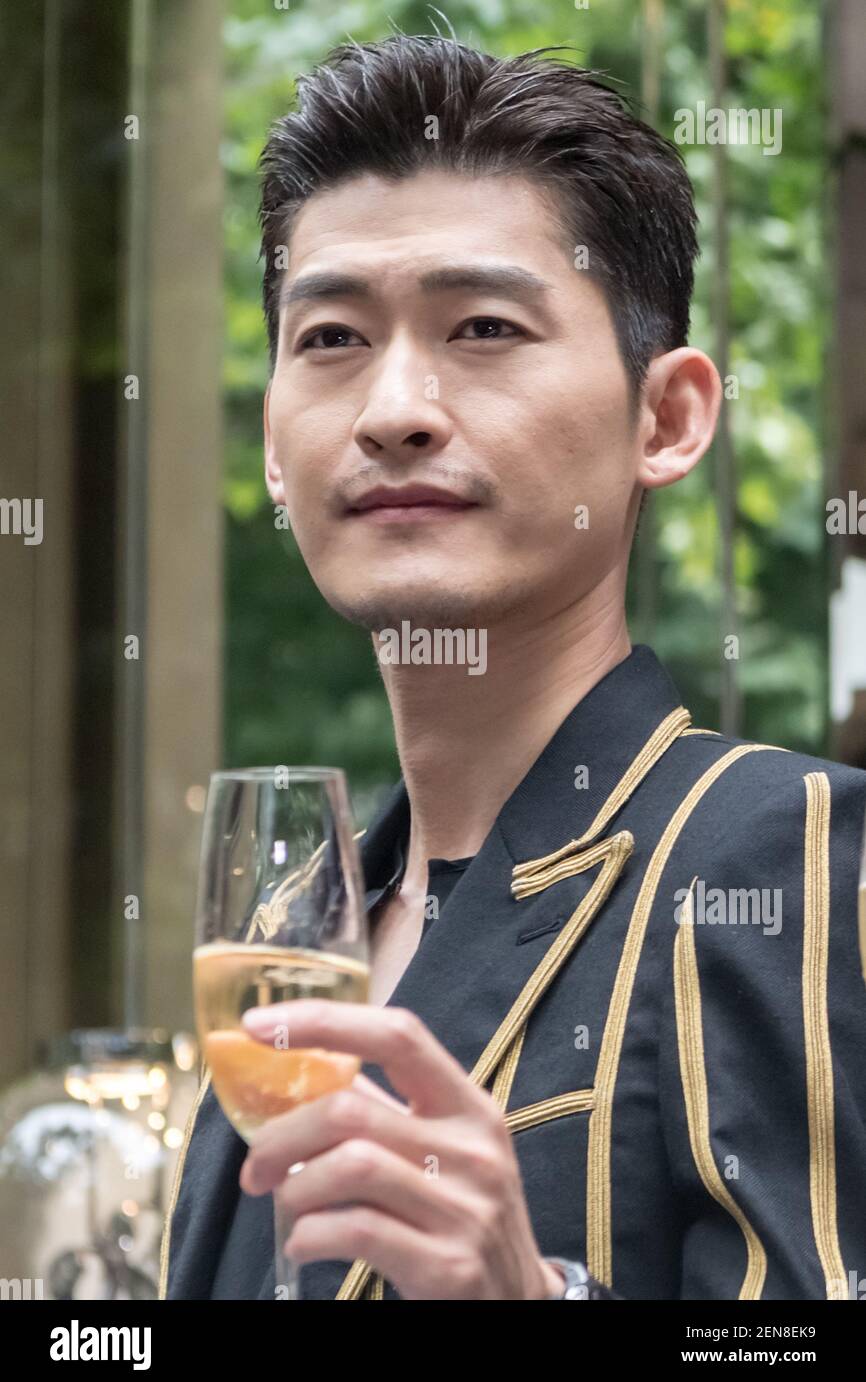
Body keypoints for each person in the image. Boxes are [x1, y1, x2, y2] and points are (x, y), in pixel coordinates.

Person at [160, 34, 866, 1301]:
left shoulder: (778, 854)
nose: (393, 409)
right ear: (271, 443)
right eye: (330, 337)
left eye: (482, 326)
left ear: (666, 417)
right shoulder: (288, 936)